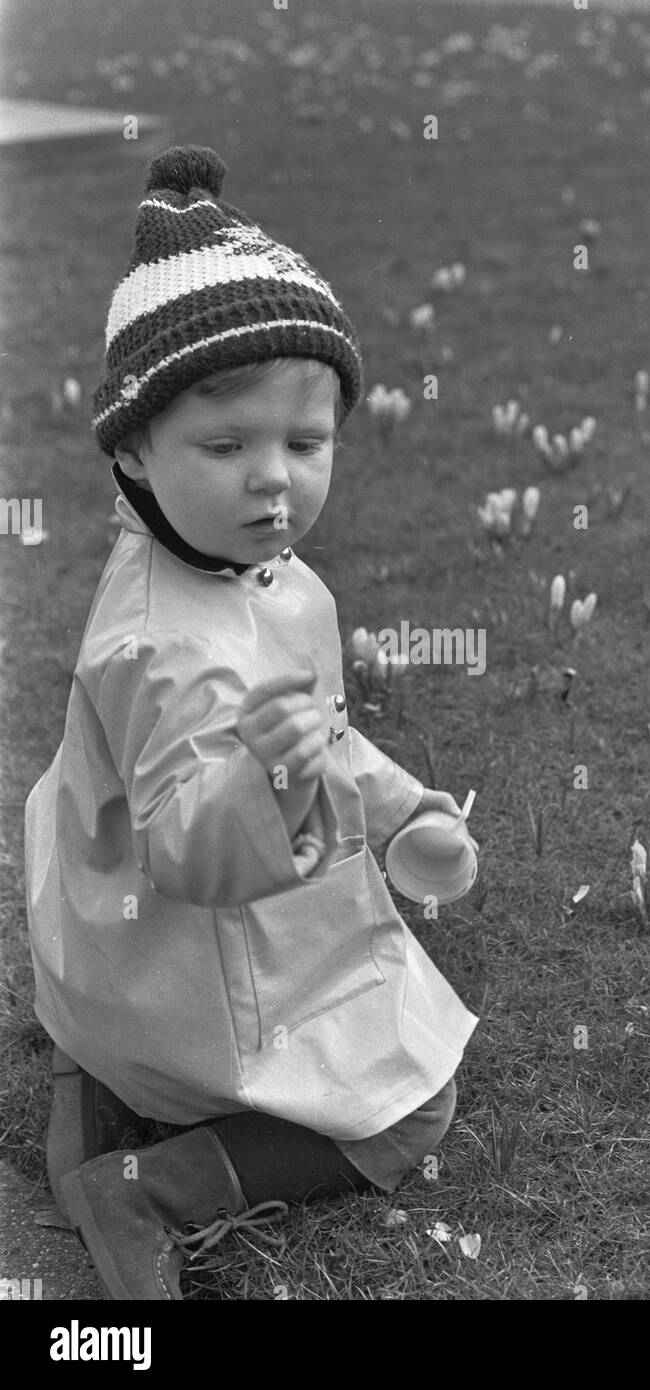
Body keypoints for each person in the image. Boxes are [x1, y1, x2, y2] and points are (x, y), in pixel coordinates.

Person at [23, 144, 478, 1300]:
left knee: (147, 998)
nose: (272, 483)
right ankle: (152, 1186)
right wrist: (272, 783)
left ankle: (84, 1083)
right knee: (413, 1106)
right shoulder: (160, 649)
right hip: (199, 942)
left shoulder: (262, 575)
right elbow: (190, 849)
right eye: (225, 447)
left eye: (305, 444)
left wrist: (399, 809)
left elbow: (313, 730)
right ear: (129, 446)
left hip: (106, 940)